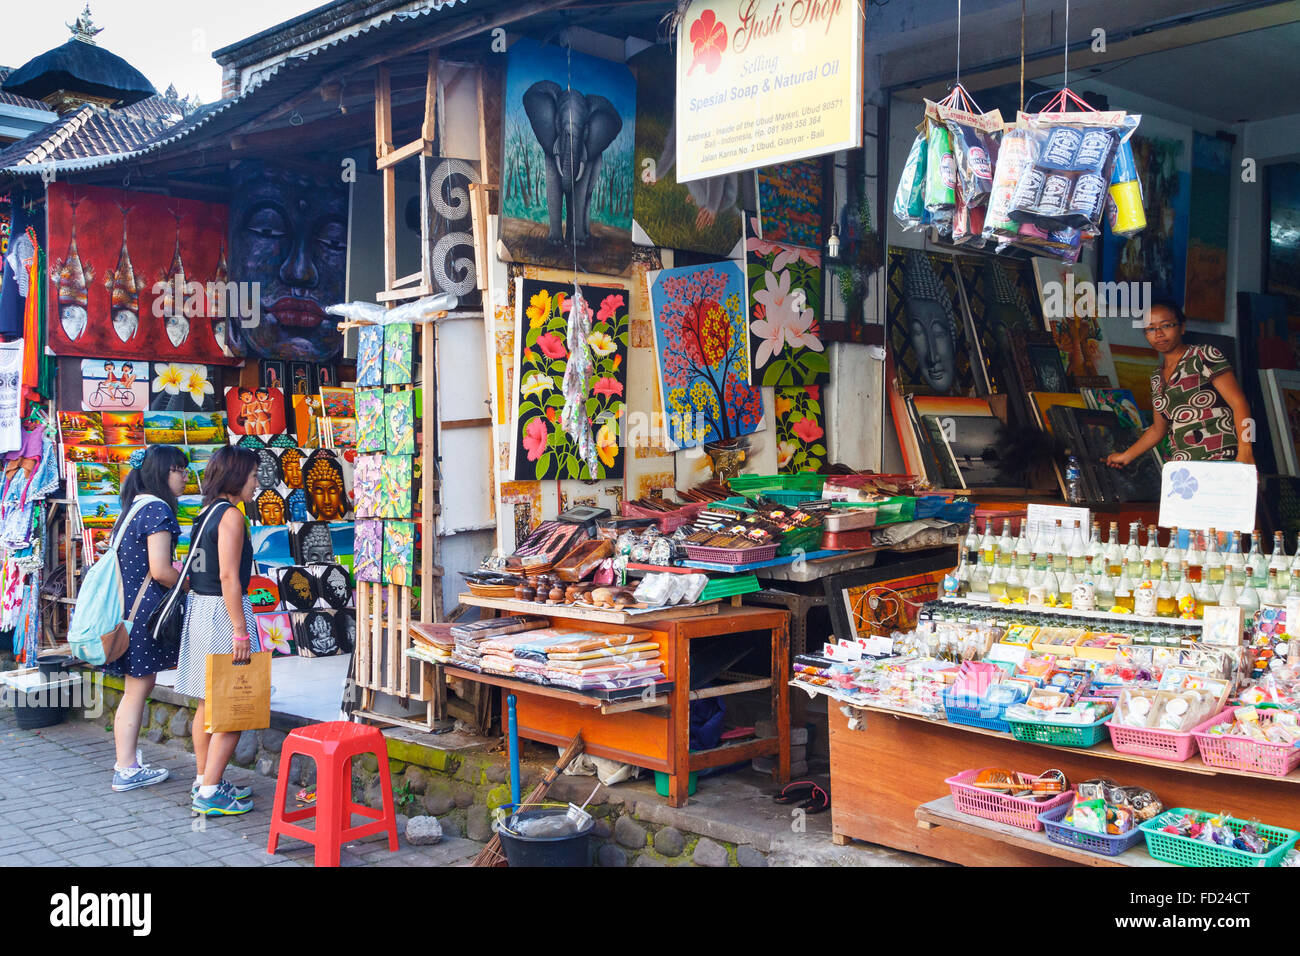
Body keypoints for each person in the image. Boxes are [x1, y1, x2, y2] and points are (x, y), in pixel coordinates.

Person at [174, 446, 260, 817]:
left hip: (202, 611)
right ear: (237, 476)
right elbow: (228, 576)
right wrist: (240, 631)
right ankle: (210, 791)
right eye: (254, 476)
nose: (257, 484)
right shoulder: (231, 517)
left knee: (209, 704)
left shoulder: (204, 514)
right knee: (234, 707)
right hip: (224, 615)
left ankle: (204, 778)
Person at [108, 445, 188, 792]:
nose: (185, 476)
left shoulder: (133, 507)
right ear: (161, 473)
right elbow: (160, 570)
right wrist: (187, 585)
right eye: (178, 470)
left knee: (134, 690)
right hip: (146, 616)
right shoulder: (156, 509)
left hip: (129, 613)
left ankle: (126, 763)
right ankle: (126, 768)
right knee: (138, 691)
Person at [1106, 300, 1254, 466]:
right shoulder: (1156, 377)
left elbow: (1240, 403)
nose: (1159, 333)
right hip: (1183, 465)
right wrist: (1126, 456)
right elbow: (1158, 429)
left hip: (1220, 456)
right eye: (1150, 329)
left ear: (1182, 327)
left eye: (1166, 325)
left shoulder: (1203, 356)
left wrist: (1246, 451)